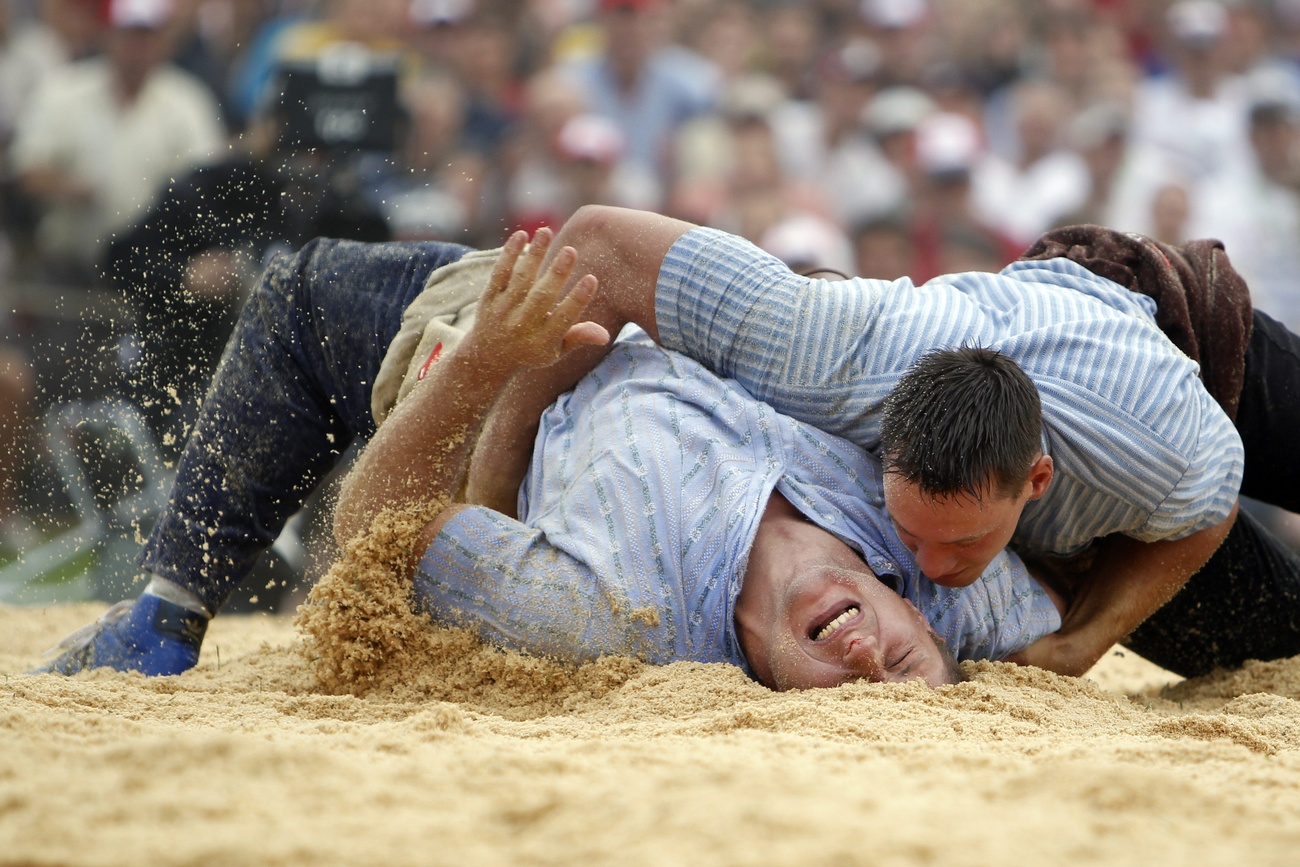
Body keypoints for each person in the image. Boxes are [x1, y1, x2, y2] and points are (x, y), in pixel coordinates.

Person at [31, 230, 1061, 688]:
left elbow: (374, 529)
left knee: (297, 295)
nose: (870, 662)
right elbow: (1079, 583)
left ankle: (167, 609)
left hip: (488, 360)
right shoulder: (945, 563)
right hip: (630, 303)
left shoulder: (615, 618)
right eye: (904, 664)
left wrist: (487, 362)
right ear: (924, 623)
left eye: (853, 697)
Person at [515, 204, 1249, 679]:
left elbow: (1213, 504)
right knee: (1264, 638)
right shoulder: (829, 364)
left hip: (1185, 358)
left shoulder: (1157, 457)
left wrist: (1081, 644)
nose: (929, 569)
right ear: (873, 443)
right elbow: (597, 245)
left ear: (1037, 480)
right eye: (908, 533)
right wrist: (496, 470)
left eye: (961, 544)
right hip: (994, 359)